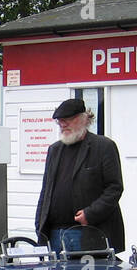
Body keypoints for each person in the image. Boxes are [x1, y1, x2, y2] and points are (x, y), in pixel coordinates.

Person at [33, 98, 124, 253]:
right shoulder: (54, 150)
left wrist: (91, 213)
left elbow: (114, 188)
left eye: (67, 120)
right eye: (60, 121)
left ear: (84, 119)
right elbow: (46, 191)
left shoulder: (103, 147)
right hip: (54, 233)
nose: (63, 125)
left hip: (87, 232)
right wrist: (39, 223)